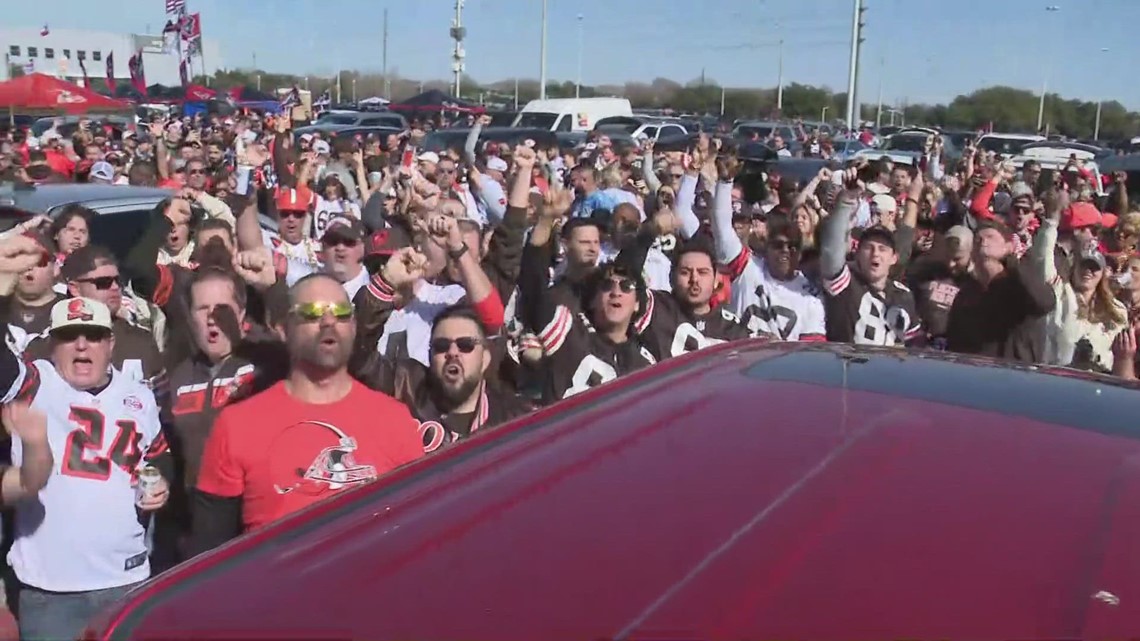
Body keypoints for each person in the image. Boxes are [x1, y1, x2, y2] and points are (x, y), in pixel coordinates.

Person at [0, 236, 170, 641]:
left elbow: (158, 456)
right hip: (50, 591)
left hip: (126, 582)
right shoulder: (36, 382)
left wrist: (161, 482)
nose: (81, 344)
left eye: (92, 335)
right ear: (53, 344)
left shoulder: (138, 395)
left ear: (110, 343)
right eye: (69, 335)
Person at [187, 273, 423, 556]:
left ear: (353, 326)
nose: (328, 322)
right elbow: (209, 551)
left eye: (341, 313)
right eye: (312, 313)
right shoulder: (236, 425)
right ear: (284, 329)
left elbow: (420, 531)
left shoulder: (395, 419)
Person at [354, 303, 532, 452]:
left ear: (485, 359)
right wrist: (384, 286)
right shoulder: (407, 385)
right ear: (430, 356)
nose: (452, 352)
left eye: (465, 345)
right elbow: (358, 356)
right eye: (441, 346)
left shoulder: (515, 419)